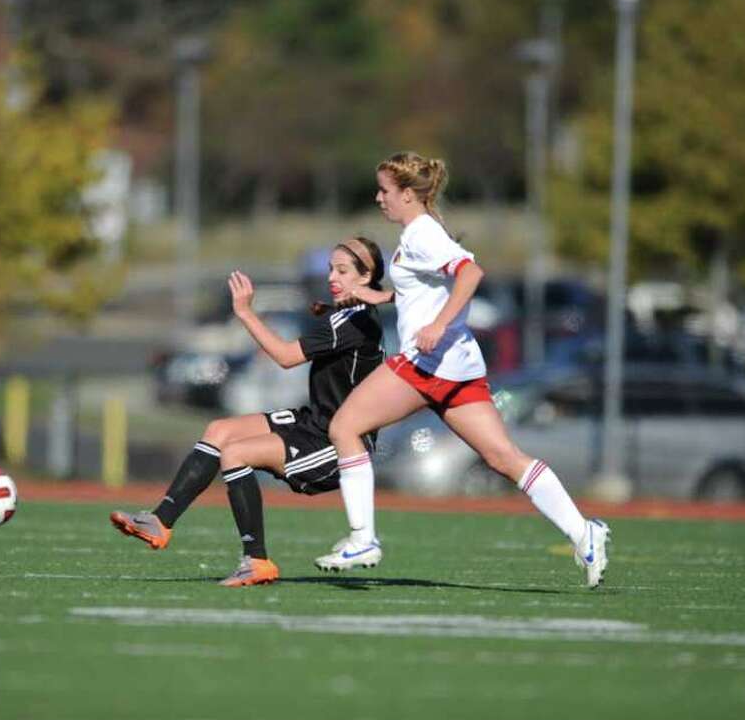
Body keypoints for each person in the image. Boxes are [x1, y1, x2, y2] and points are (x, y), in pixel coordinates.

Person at [316, 152, 610, 588]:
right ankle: (584, 532)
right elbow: (426, 292)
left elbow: (470, 274)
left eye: (385, 191)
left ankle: (363, 538)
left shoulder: (421, 234)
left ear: (409, 195)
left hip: (427, 364)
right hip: (458, 364)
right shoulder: (422, 233)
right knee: (502, 457)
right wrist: (377, 298)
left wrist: (437, 325)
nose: (379, 198)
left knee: (344, 427)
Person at [110, 237, 387, 586]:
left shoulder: (355, 321)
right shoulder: (349, 314)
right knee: (219, 430)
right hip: (314, 422)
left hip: (335, 445)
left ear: (366, 277)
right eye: (331, 268)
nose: (333, 276)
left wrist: (244, 312)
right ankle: (160, 521)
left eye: (343, 270)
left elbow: (286, 357)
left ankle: (256, 561)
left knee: (236, 454)